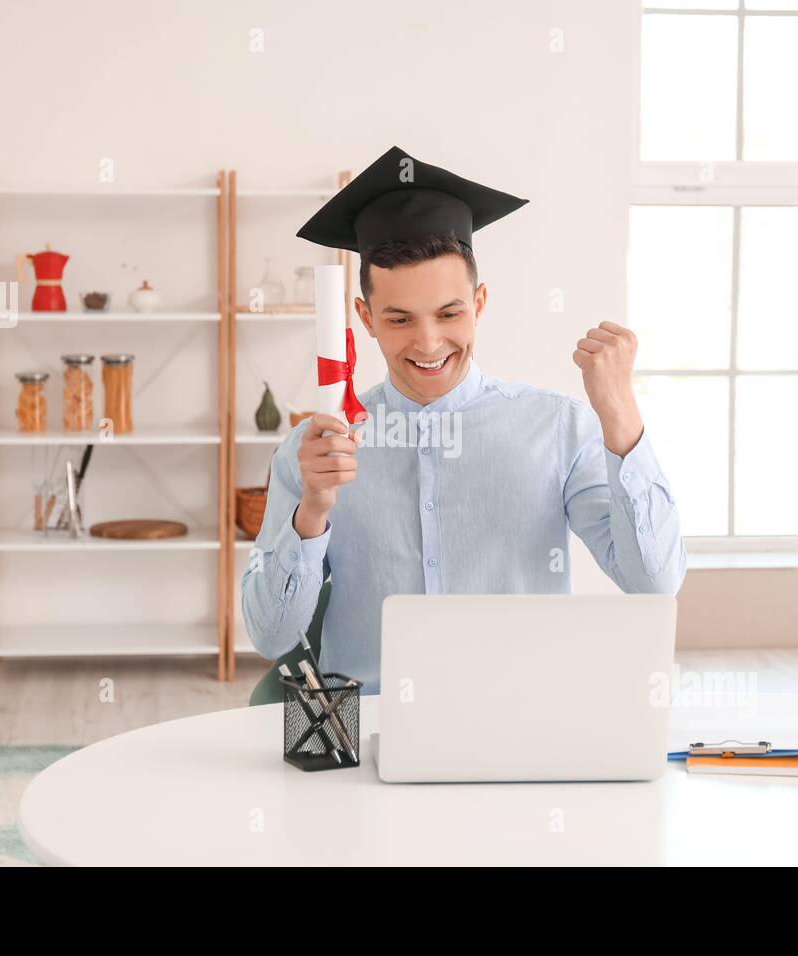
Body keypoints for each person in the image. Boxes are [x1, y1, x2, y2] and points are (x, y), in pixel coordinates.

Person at [241, 146, 686, 694]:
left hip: (521, 726)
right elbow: (270, 635)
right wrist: (312, 510)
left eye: (449, 314)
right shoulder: (315, 450)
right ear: (366, 318)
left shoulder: (559, 429)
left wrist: (620, 416)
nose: (428, 343)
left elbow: (655, 583)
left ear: (478, 302)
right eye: (400, 319)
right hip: (367, 737)